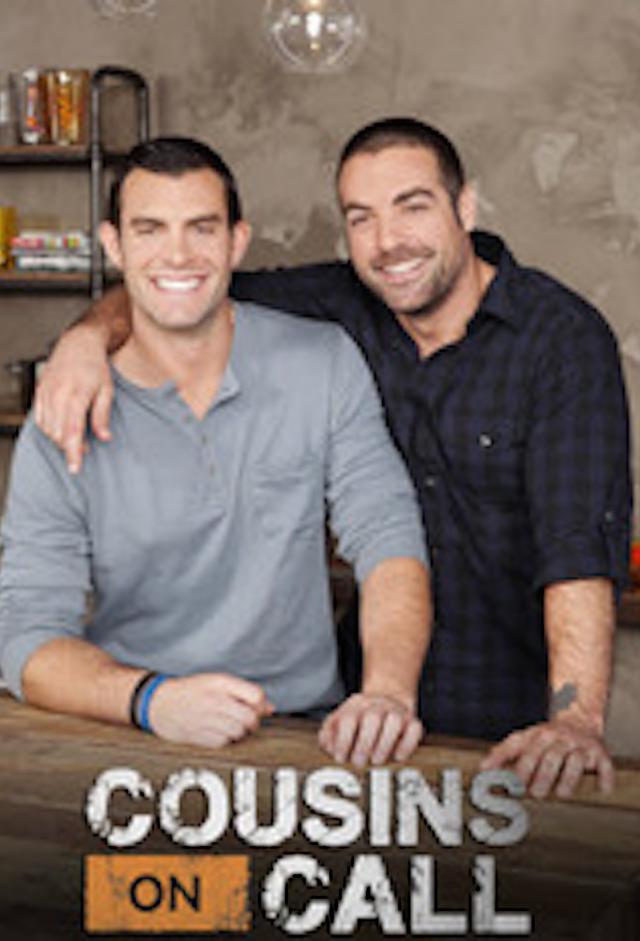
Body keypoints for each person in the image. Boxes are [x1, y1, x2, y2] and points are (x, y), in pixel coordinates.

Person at [32, 119, 632, 798]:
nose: (388, 241)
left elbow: (577, 545)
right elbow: (182, 283)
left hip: (505, 709)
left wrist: (574, 715)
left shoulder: (559, 338)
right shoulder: (340, 305)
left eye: (412, 207)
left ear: (465, 207)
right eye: (361, 218)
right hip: (355, 714)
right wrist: (84, 340)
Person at [0, 136, 432, 766]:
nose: (178, 254)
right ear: (114, 246)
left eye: (202, 228)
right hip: (131, 732)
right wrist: (151, 699)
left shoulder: (323, 361)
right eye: (150, 230)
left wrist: (388, 692)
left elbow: (388, 534)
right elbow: (25, 636)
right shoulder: (64, 416)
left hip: (304, 732)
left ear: (237, 242)